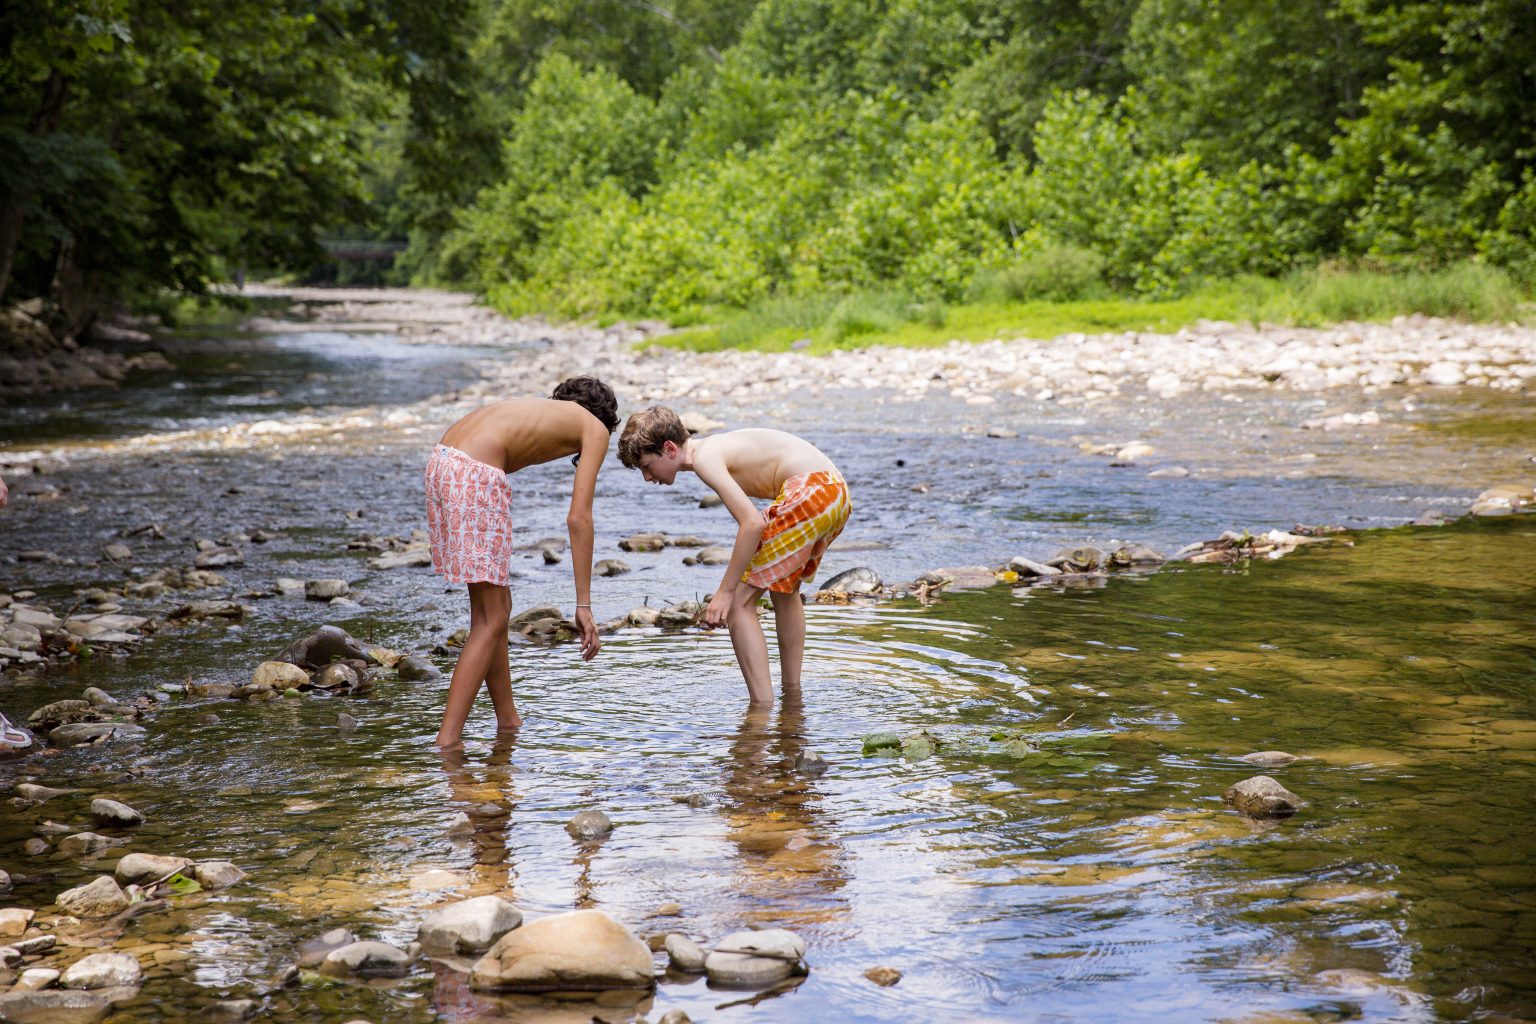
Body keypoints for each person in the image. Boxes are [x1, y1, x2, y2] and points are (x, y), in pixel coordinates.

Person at [426, 376, 616, 747]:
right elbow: (579, 518)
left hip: (442, 461)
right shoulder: (595, 427)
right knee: (492, 617)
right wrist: (584, 605)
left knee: (493, 612)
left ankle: (508, 720)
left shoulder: (537, 411)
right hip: (474, 474)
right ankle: (447, 742)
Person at [617, 407, 851, 703]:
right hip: (834, 491)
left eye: (647, 466)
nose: (647, 477)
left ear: (670, 448)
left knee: (739, 605)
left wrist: (725, 593)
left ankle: (761, 707)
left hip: (808, 491)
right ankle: (792, 696)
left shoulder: (705, 458)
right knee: (784, 591)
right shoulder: (714, 448)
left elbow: (752, 524)